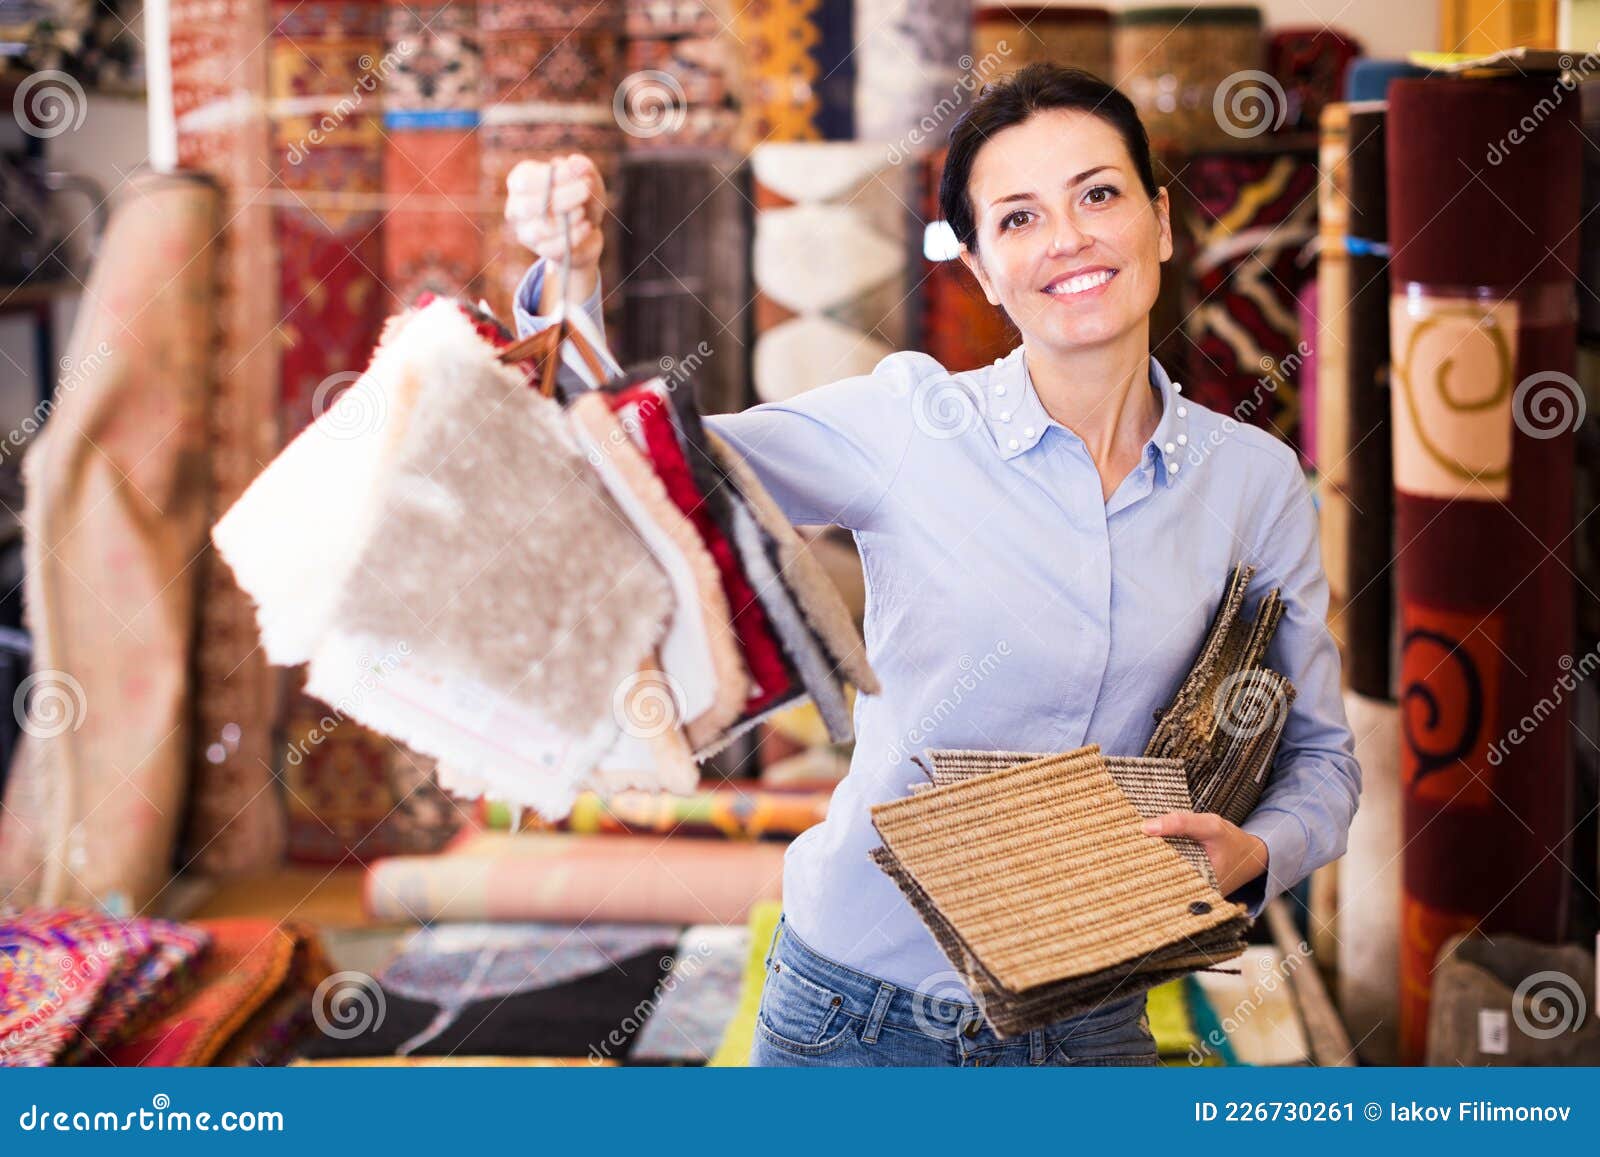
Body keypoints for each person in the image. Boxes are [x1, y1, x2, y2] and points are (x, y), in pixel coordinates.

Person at [504, 64, 1360, 1067]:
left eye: (1098, 194)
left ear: (1159, 222)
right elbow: (640, 470)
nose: (1069, 238)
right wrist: (566, 279)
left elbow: (1322, 760)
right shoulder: (907, 422)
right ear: (981, 267)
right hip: (854, 1016)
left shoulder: (1250, 479)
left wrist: (1259, 854)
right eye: (1017, 218)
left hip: (1093, 1023)